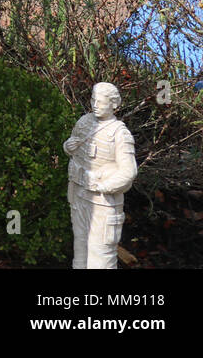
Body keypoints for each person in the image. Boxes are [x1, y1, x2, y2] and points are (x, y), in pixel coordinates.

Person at [64, 82, 136, 269]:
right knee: (80, 248)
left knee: (100, 256)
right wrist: (68, 146)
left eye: (100, 101)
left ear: (113, 104)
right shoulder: (84, 122)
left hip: (103, 203)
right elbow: (73, 148)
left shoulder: (119, 133)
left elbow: (129, 172)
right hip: (79, 196)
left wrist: (105, 186)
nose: (95, 104)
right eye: (93, 100)